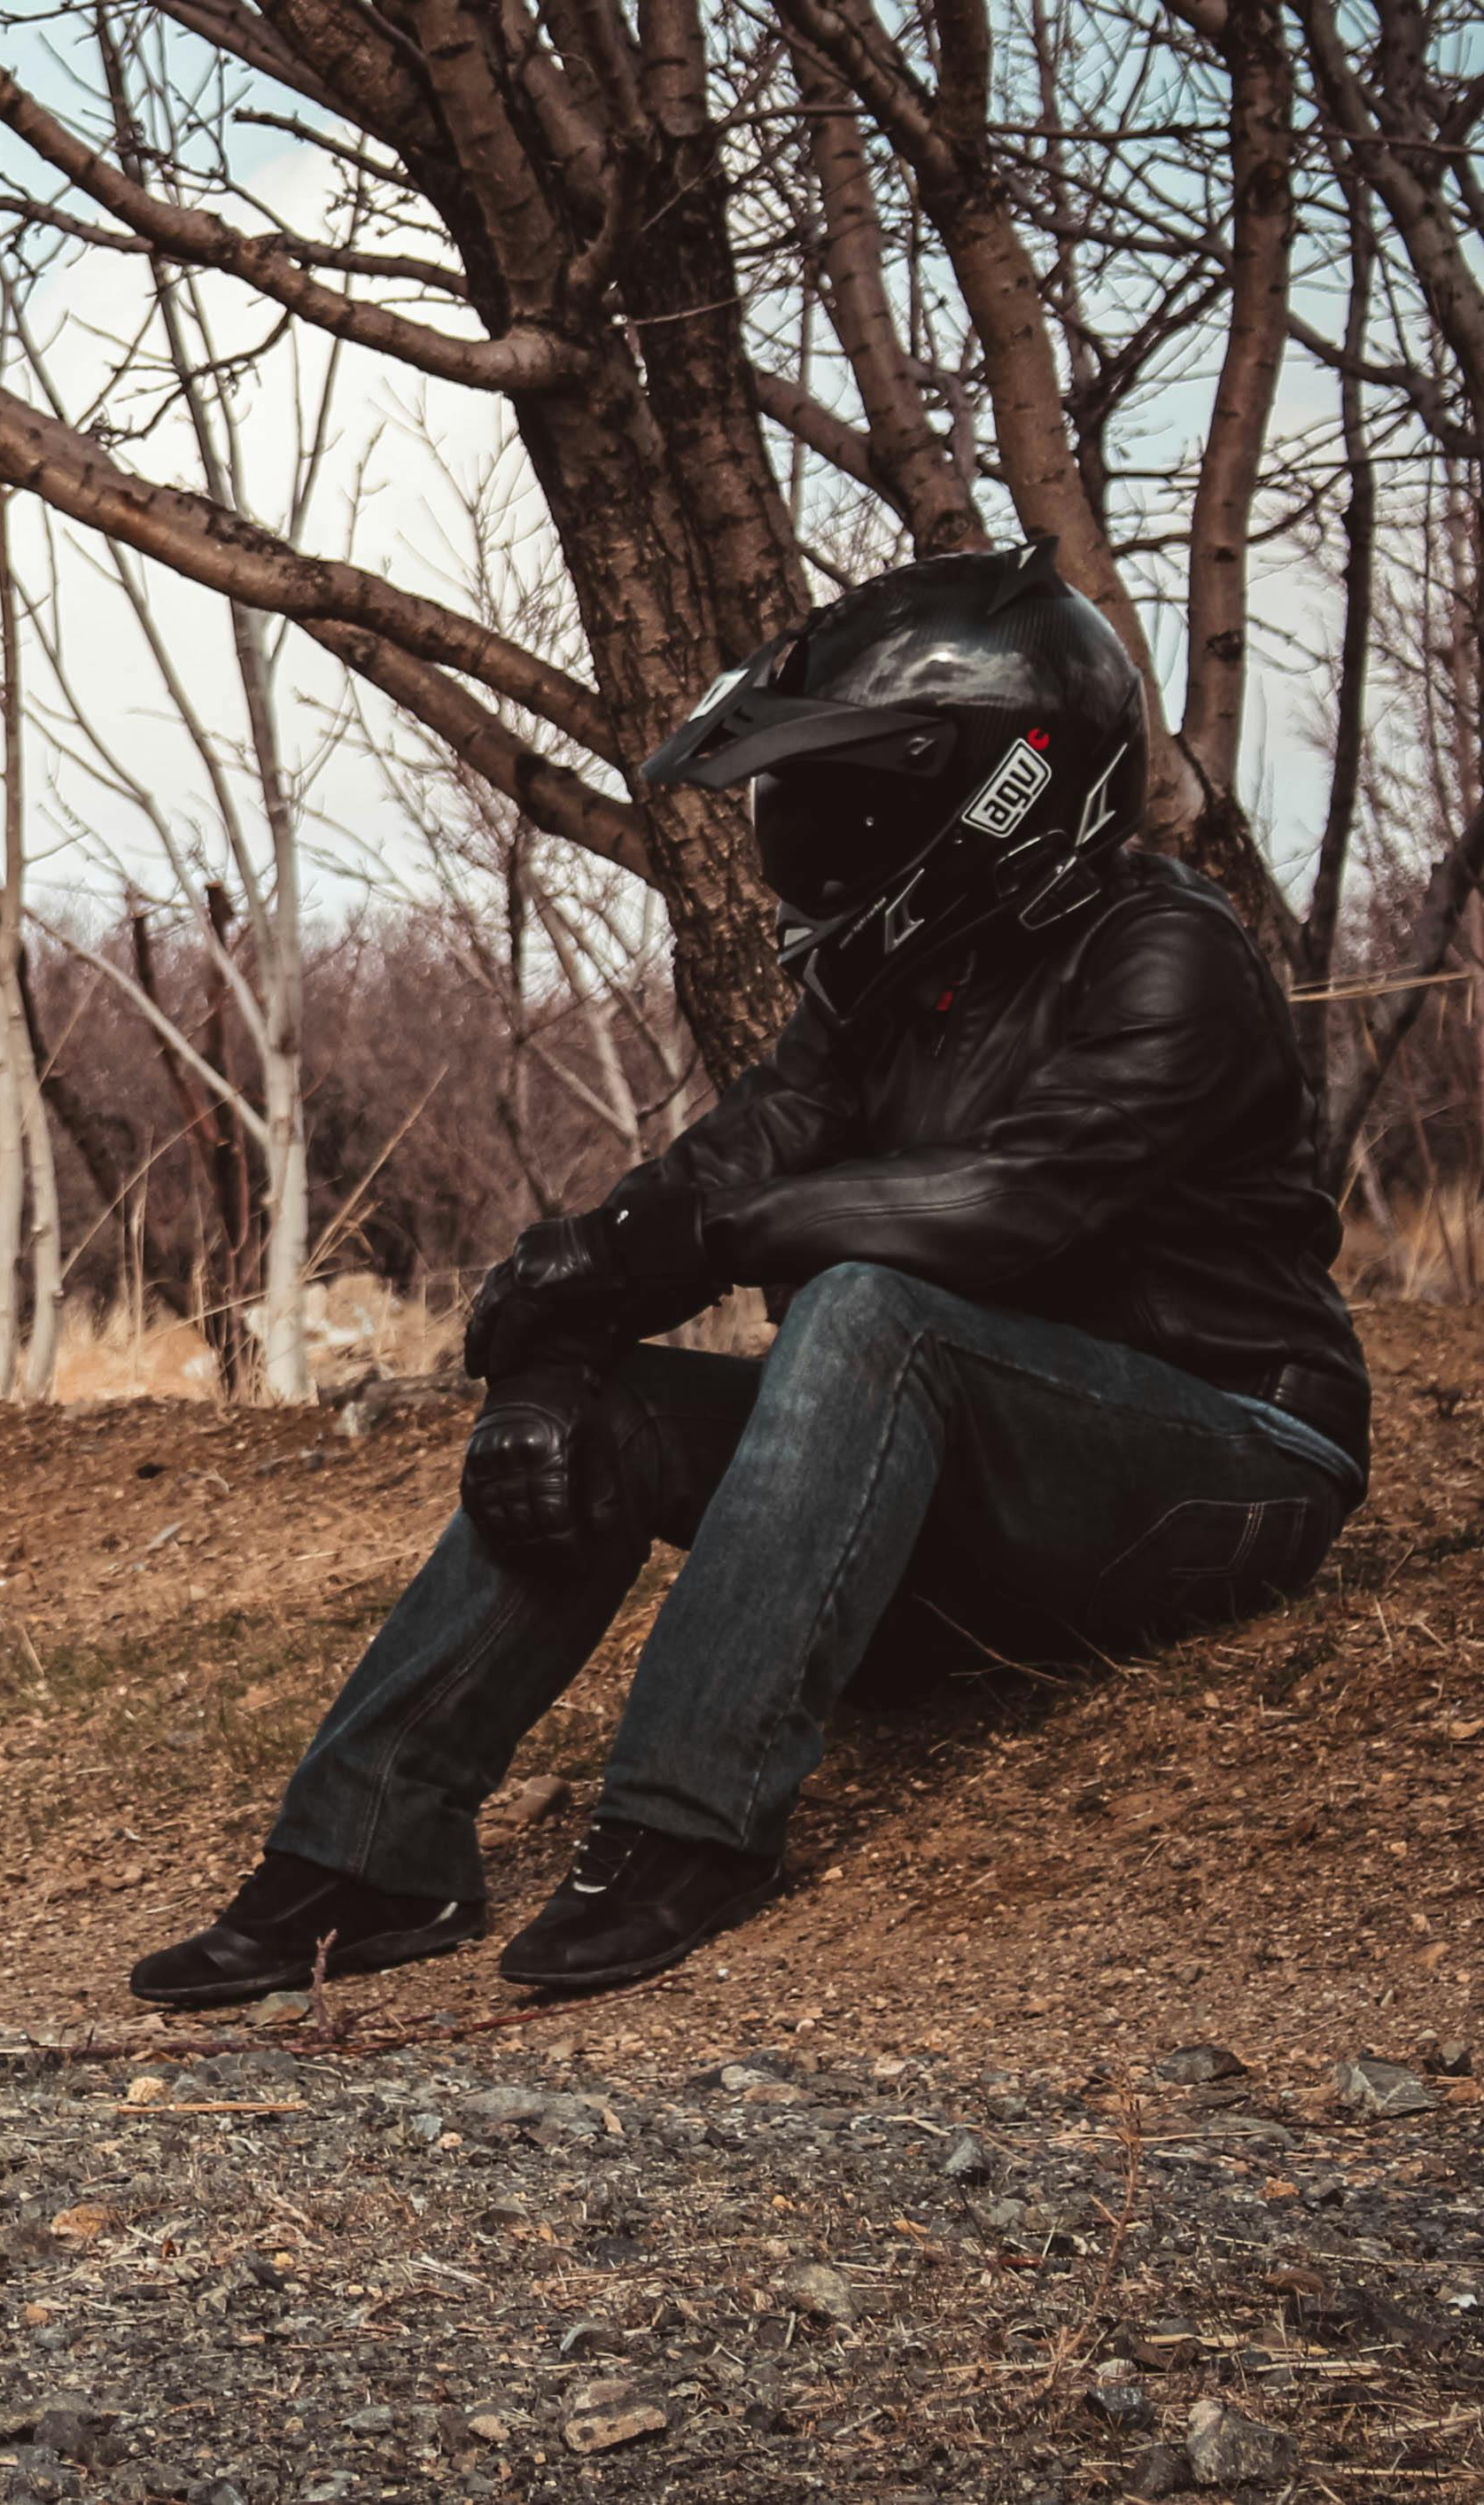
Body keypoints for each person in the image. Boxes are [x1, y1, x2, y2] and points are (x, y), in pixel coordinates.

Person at [130, 539, 1370, 2007]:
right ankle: (371, 1854)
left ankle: (689, 1826)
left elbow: (1002, 1211)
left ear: (998, 782)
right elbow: (715, 1177)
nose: (817, 832)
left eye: (854, 794)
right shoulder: (892, 992)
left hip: (1232, 1457)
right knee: (645, 1401)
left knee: (864, 1306)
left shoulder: (1166, 952)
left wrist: (702, 1245)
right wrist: (551, 1363)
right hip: (988, 1486)